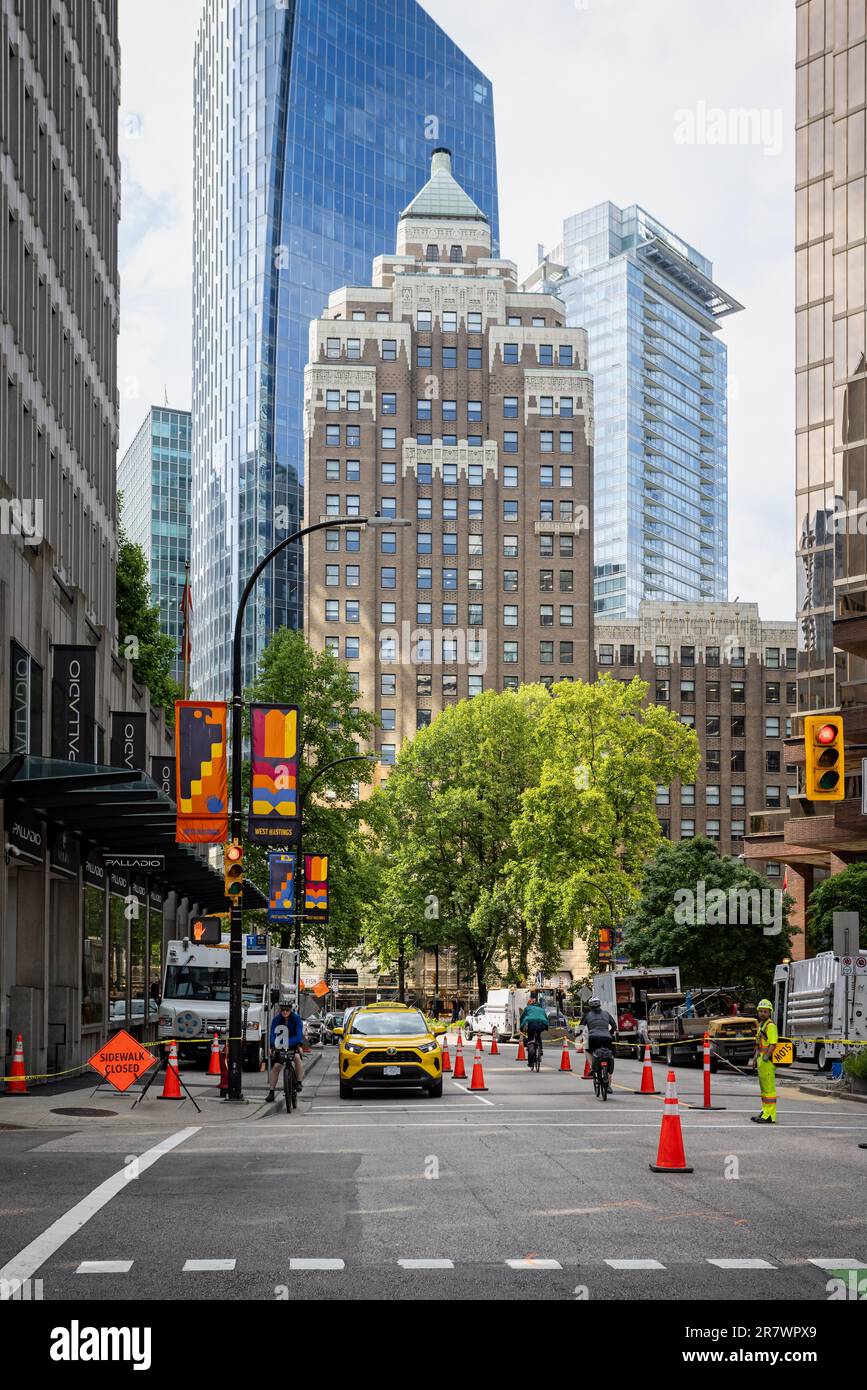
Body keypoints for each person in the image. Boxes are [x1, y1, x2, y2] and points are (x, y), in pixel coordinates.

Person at [265, 997, 304, 1103]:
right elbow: (273, 1034)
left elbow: (299, 1034)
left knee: (297, 1058)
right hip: (280, 1045)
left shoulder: (296, 1019)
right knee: (276, 1066)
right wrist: (272, 1047)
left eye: (287, 1010)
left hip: (293, 1044)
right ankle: (271, 1092)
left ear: (291, 1010)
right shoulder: (276, 1020)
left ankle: (299, 1082)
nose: (285, 1012)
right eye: (283, 1010)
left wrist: (298, 1044)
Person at [750, 999, 778, 1124]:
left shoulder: (770, 1026)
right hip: (762, 1061)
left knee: (769, 1090)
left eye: (765, 1011)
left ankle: (770, 1115)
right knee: (764, 1089)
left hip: (767, 1062)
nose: (762, 1013)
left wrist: (766, 1057)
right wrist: (755, 1059)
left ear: (769, 1012)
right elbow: (759, 1045)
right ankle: (765, 1111)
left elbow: (773, 1044)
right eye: (761, 1011)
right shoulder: (762, 1025)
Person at [581, 996, 618, 1079]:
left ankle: (592, 1068)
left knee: (587, 1050)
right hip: (607, 1038)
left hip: (593, 1038)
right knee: (609, 1058)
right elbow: (614, 1026)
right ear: (600, 1005)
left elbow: (580, 1028)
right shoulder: (606, 1014)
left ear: (590, 1006)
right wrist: (609, 1034)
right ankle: (608, 1086)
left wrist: (576, 1034)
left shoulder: (587, 1015)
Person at [519, 994, 550, 1067]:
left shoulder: (527, 1008)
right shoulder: (542, 1009)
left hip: (532, 1024)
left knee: (530, 1038)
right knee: (538, 1035)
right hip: (541, 1024)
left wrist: (521, 1027)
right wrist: (546, 1027)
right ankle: (540, 1049)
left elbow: (522, 1018)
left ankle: (530, 1062)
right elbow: (545, 1018)